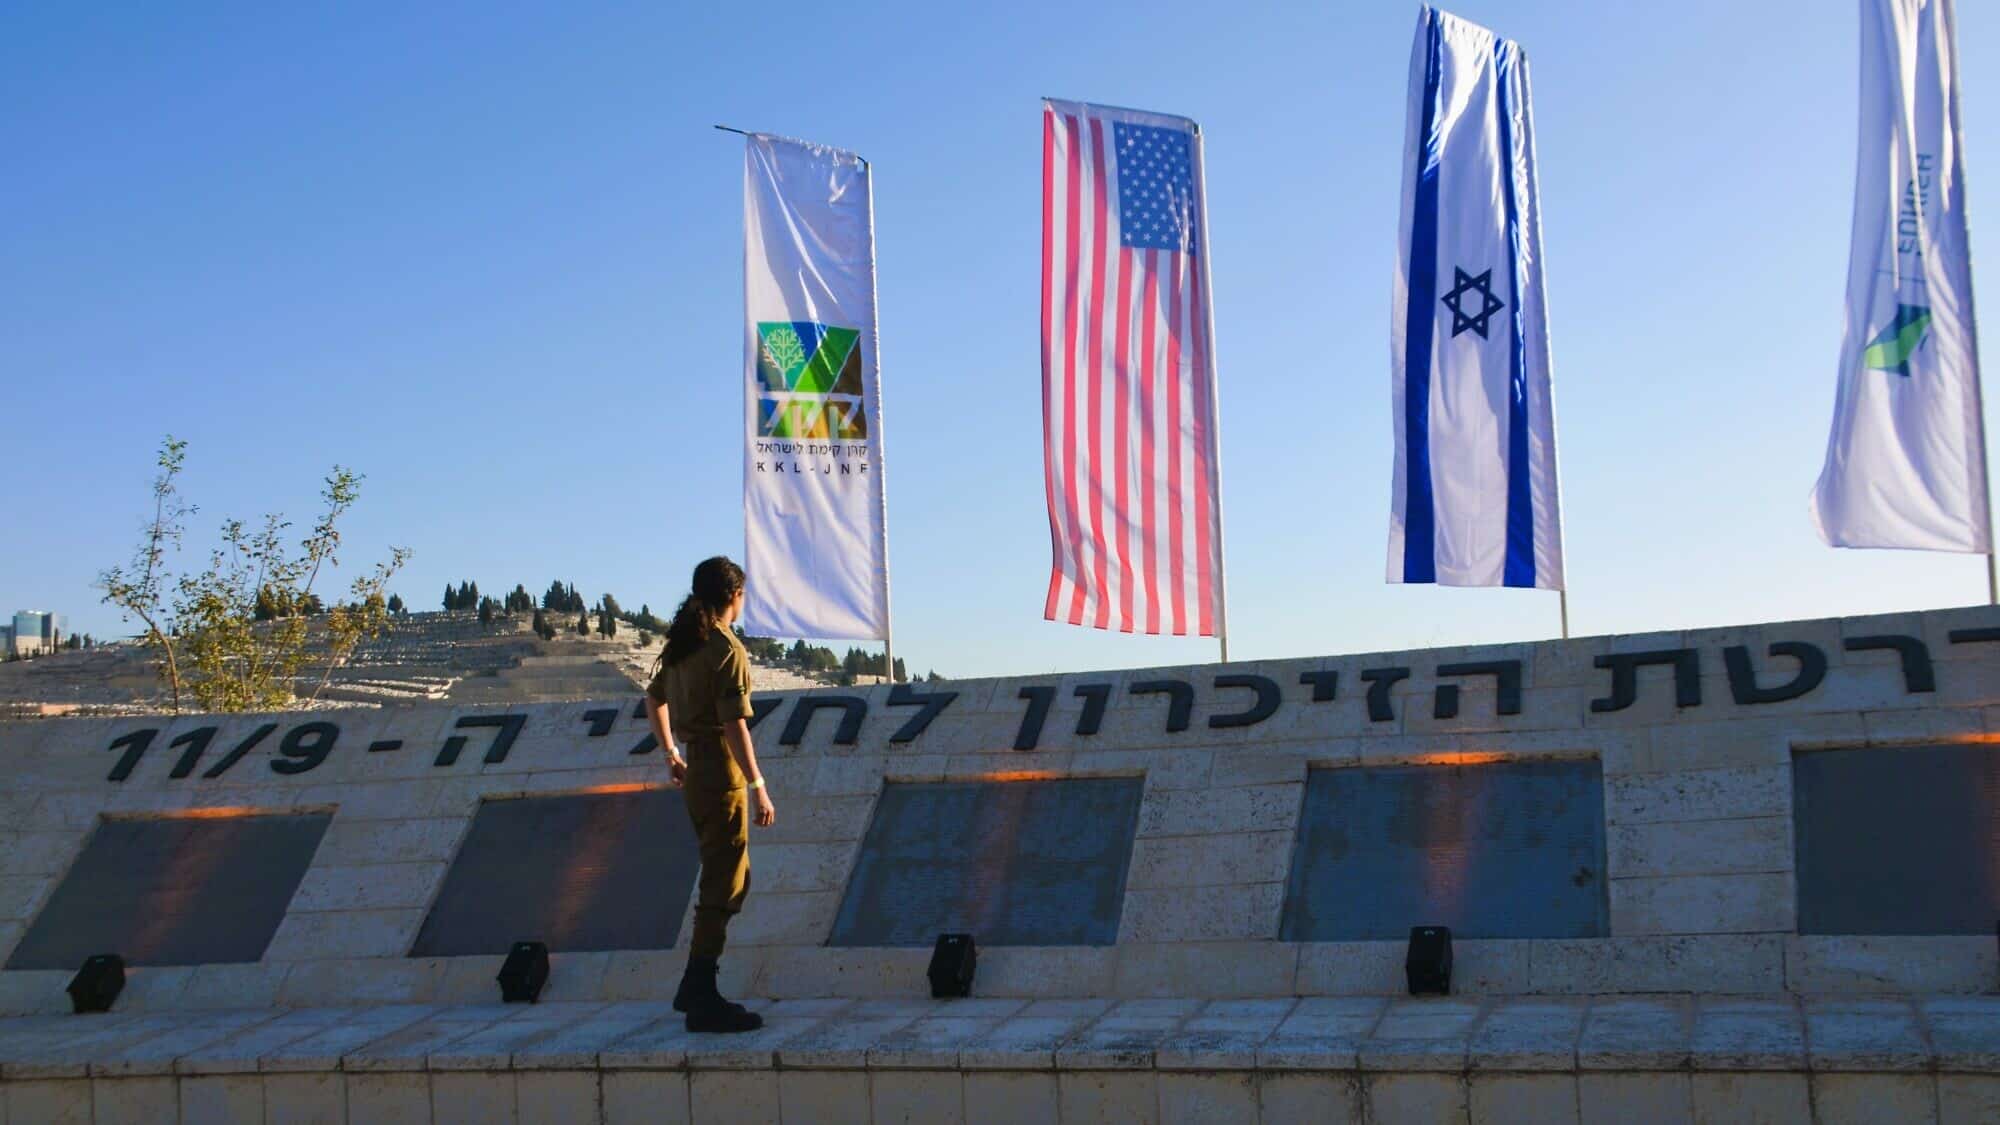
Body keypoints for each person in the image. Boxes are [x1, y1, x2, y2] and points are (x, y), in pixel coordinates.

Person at [643, 556, 777, 1034]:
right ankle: (700, 990)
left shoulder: (684, 644)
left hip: (696, 771)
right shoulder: (724, 648)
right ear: (734, 596)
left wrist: (670, 753)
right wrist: (758, 785)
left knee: (728, 875)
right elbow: (734, 724)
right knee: (725, 881)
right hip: (721, 773)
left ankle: (697, 985)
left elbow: (653, 698)